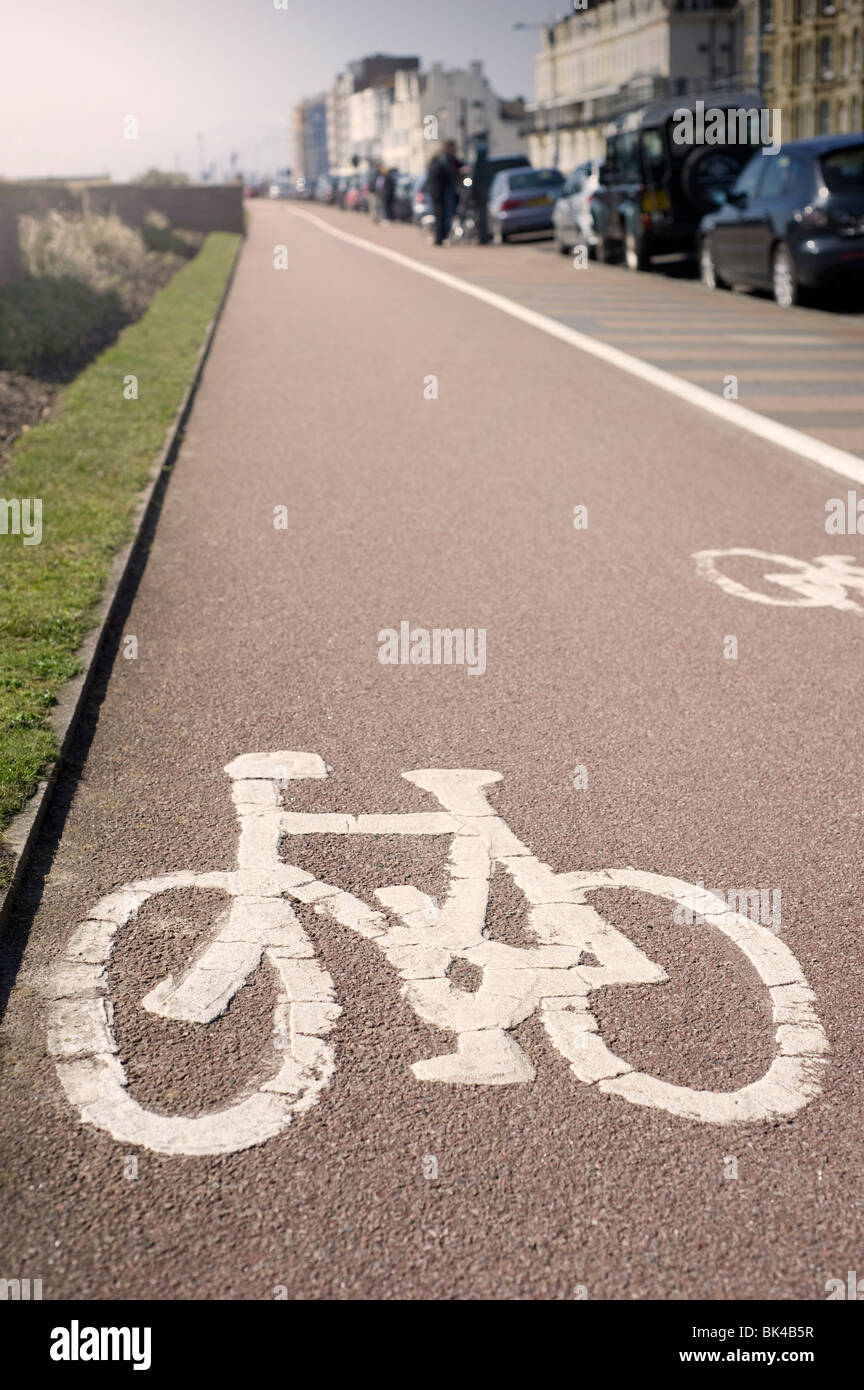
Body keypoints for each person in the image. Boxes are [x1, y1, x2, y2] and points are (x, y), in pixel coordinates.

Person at [426, 139, 462, 245]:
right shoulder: (442, 160)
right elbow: (448, 174)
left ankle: (439, 238)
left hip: (436, 192)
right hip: (441, 191)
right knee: (444, 214)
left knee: (440, 214)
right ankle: (441, 237)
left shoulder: (435, 161)